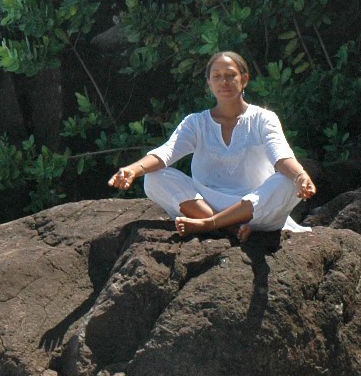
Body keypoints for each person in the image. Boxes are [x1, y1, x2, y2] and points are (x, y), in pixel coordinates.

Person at [108, 51, 316, 241]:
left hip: (253, 208)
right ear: (208, 82)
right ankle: (229, 228)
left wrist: (300, 176)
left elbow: (279, 154)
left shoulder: (263, 118)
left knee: (286, 182)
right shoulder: (196, 122)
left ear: (244, 79)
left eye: (230, 75)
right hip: (204, 203)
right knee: (153, 177)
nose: (223, 81)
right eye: (216, 76)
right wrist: (133, 170)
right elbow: (167, 152)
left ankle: (210, 225)